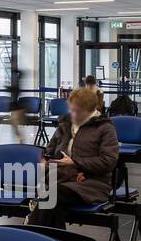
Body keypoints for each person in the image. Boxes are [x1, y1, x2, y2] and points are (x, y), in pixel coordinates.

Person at [28, 86, 118, 230]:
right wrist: (45, 160)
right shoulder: (65, 126)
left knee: (52, 197)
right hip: (60, 180)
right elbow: (49, 150)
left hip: (90, 184)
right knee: (53, 208)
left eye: (77, 111)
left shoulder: (105, 128)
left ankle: (31, 231)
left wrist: (75, 162)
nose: (72, 114)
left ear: (90, 110)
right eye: (71, 109)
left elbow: (109, 161)